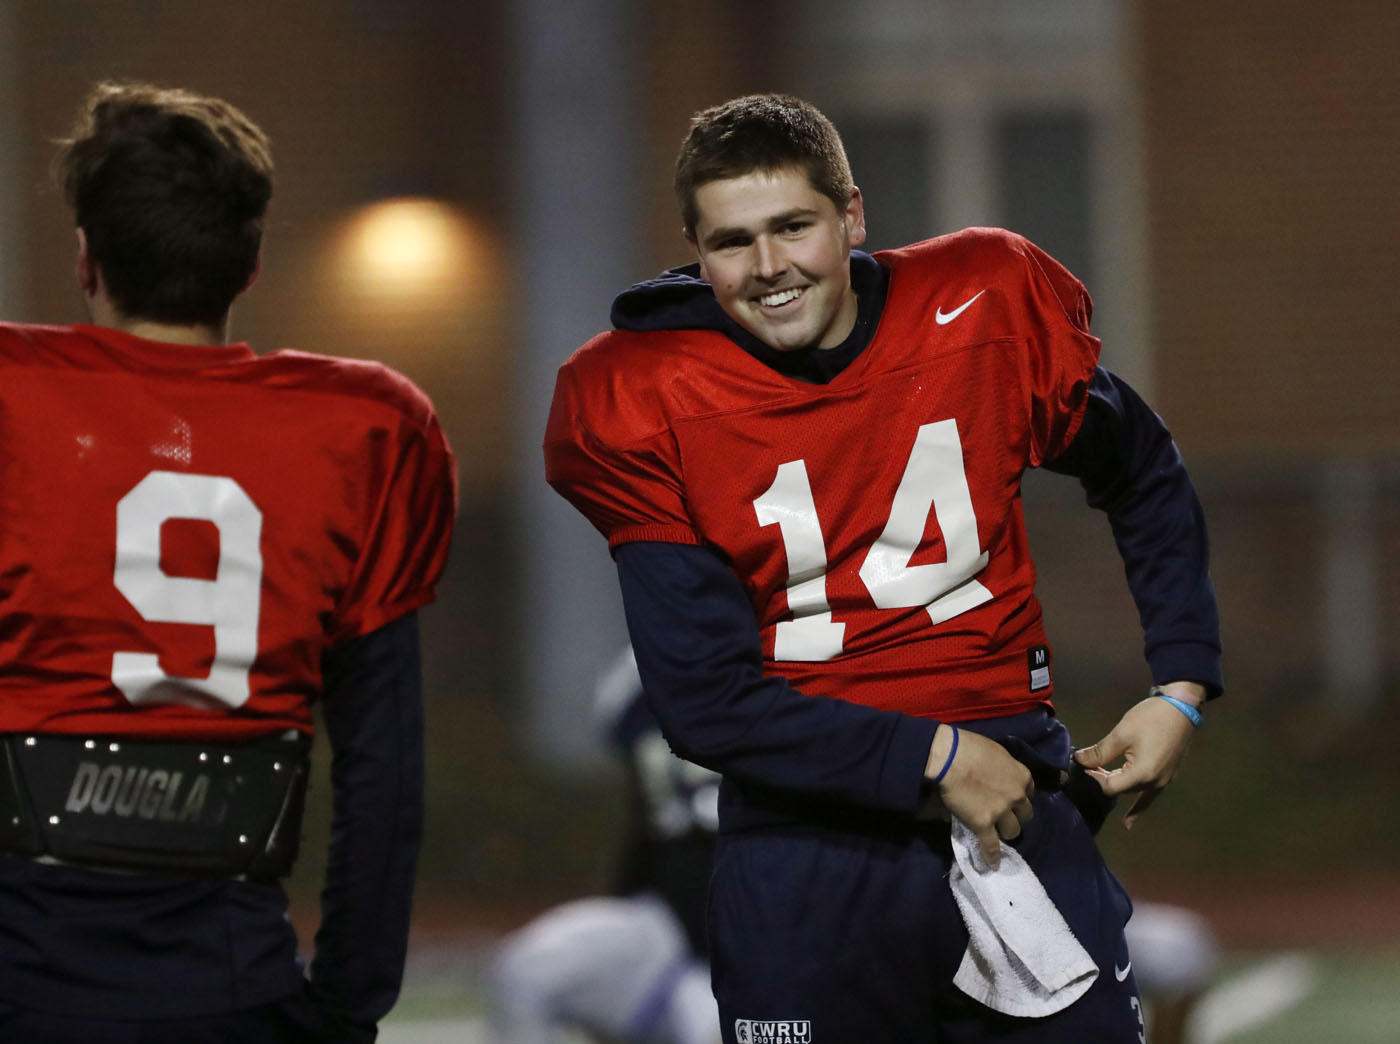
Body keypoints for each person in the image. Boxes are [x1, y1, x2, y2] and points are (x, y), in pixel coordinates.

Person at [545, 93, 1221, 1042]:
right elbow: (702, 702)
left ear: (852, 216)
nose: (769, 267)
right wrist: (934, 756)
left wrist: (1179, 684)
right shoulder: (641, 392)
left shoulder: (981, 305)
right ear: (695, 251)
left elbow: (1143, 468)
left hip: (1015, 810)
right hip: (806, 847)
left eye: (793, 226)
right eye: (733, 241)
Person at [0, 82, 456, 1042]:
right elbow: (385, 776)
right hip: (230, 982)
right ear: (250, 263)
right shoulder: (364, 430)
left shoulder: (17, 403)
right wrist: (345, 1011)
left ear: (86, 257)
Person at [486, 646, 721, 1044]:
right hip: (666, 931)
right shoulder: (643, 678)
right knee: (525, 973)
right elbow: (649, 827)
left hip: (763, 950)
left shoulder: (801, 657)